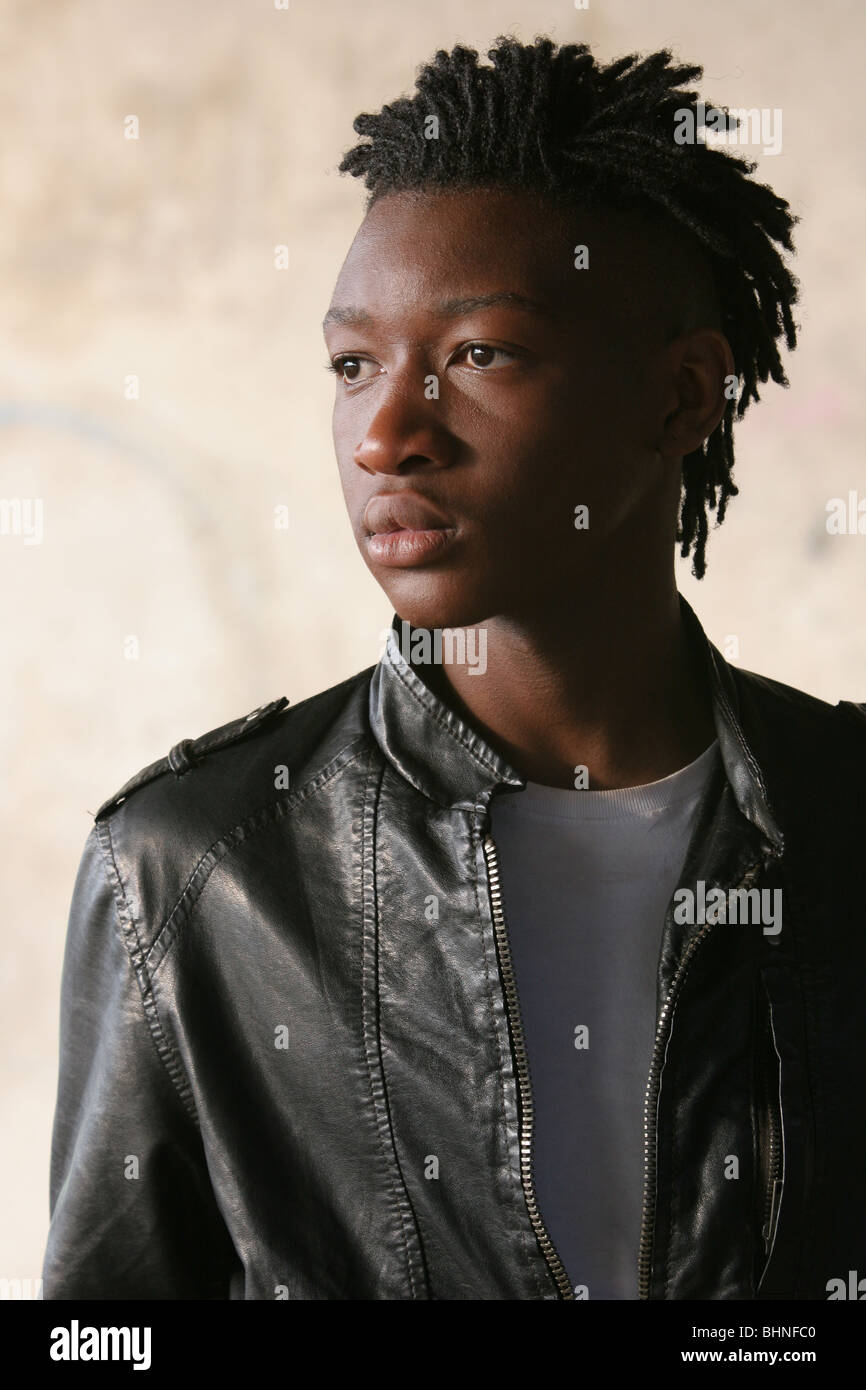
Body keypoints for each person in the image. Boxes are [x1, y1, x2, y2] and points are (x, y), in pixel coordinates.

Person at [43, 36, 865, 1301]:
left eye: (478, 354)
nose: (385, 432)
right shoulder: (196, 872)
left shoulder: (840, 819)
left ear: (680, 397)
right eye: (351, 363)